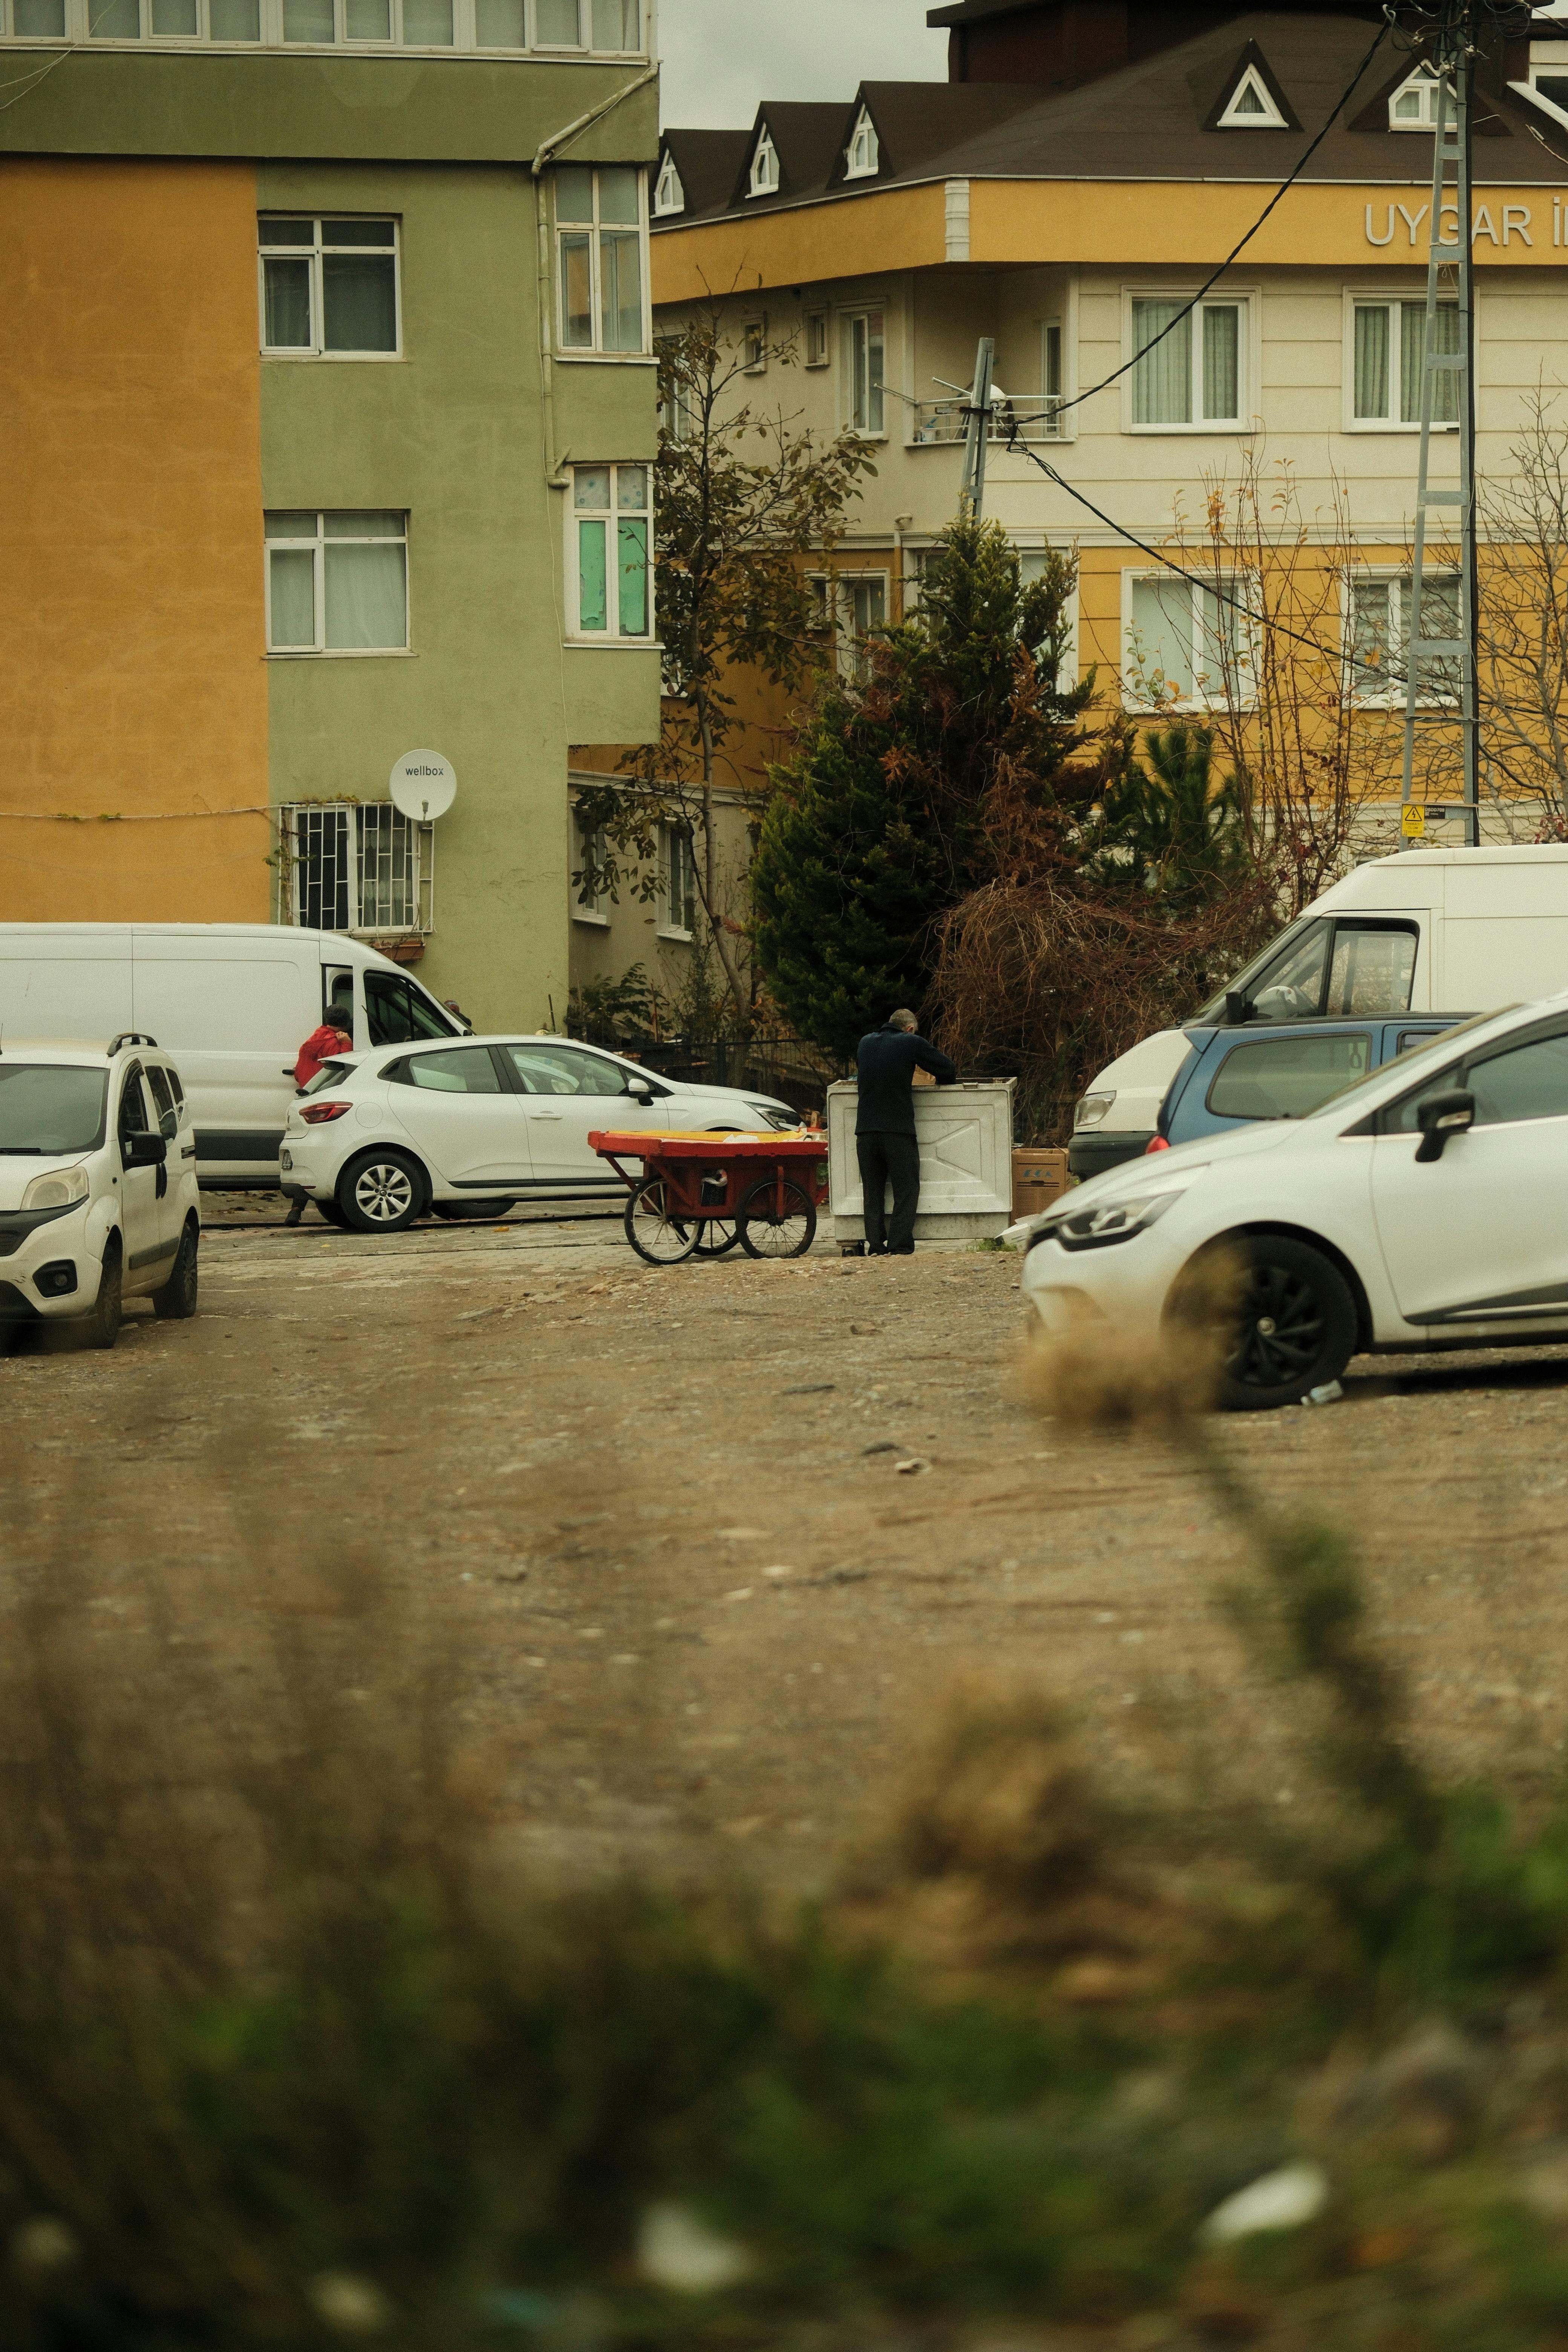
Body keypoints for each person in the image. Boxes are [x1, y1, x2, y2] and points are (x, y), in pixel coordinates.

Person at [854, 1009, 957, 1256]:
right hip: (897, 1130)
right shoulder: (910, 1042)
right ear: (909, 1028)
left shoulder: (865, 1043)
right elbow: (947, 1069)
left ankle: (876, 1246)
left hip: (866, 1132)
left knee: (873, 1191)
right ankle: (899, 1245)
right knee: (906, 1189)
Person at [293, 1018, 353, 1090]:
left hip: (307, 1090)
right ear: (345, 1025)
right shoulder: (334, 1043)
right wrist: (347, 1043)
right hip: (322, 1090)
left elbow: (298, 1073)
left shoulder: (311, 1041)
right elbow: (345, 1068)